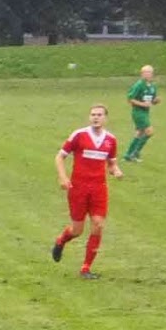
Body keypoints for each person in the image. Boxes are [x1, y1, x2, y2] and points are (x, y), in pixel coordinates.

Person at [52, 103, 124, 279]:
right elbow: (60, 156)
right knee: (77, 230)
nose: (96, 117)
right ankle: (61, 240)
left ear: (105, 118)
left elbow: (111, 162)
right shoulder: (79, 135)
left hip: (99, 188)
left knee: (98, 225)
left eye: (99, 114)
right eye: (93, 114)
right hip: (79, 187)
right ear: (89, 117)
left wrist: (116, 170)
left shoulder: (111, 140)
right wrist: (63, 177)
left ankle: (85, 268)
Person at [124, 65, 160, 162]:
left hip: (145, 112)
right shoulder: (139, 85)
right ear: (142, 74)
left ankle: (128, 155)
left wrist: (156, 101)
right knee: (149, 131)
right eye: (146, 72)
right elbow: (130, 99)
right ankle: (135, 153)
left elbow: (152, 101)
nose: (148, 74)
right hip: (138, 112)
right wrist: (142, 104)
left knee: (139, 133)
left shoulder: (152, 86)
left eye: (150, 72)